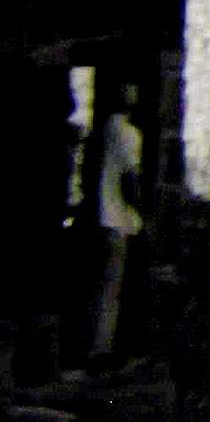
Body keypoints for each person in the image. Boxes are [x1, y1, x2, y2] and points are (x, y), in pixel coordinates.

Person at [90, 82, 143, 369]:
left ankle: (95, 345)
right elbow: (130, 179)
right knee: (113, 288)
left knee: (101, 286)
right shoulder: (128, 134)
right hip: (117, 219)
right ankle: (103, 349)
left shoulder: (103, 131)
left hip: (100, 216)